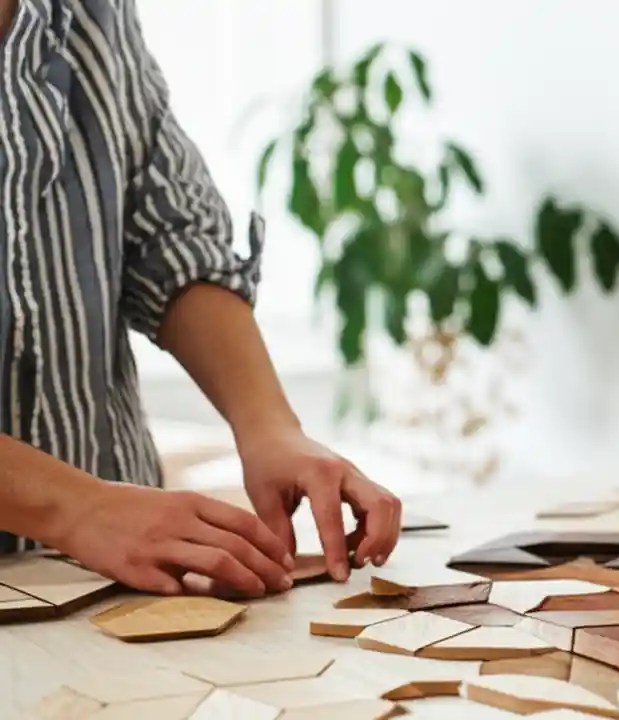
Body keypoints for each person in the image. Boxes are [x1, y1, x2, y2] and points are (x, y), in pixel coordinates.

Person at [0, 0, 402, 597]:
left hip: (120, 583)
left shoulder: (91, 11)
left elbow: (170, 236)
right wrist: (76, 509)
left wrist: (268, 425)